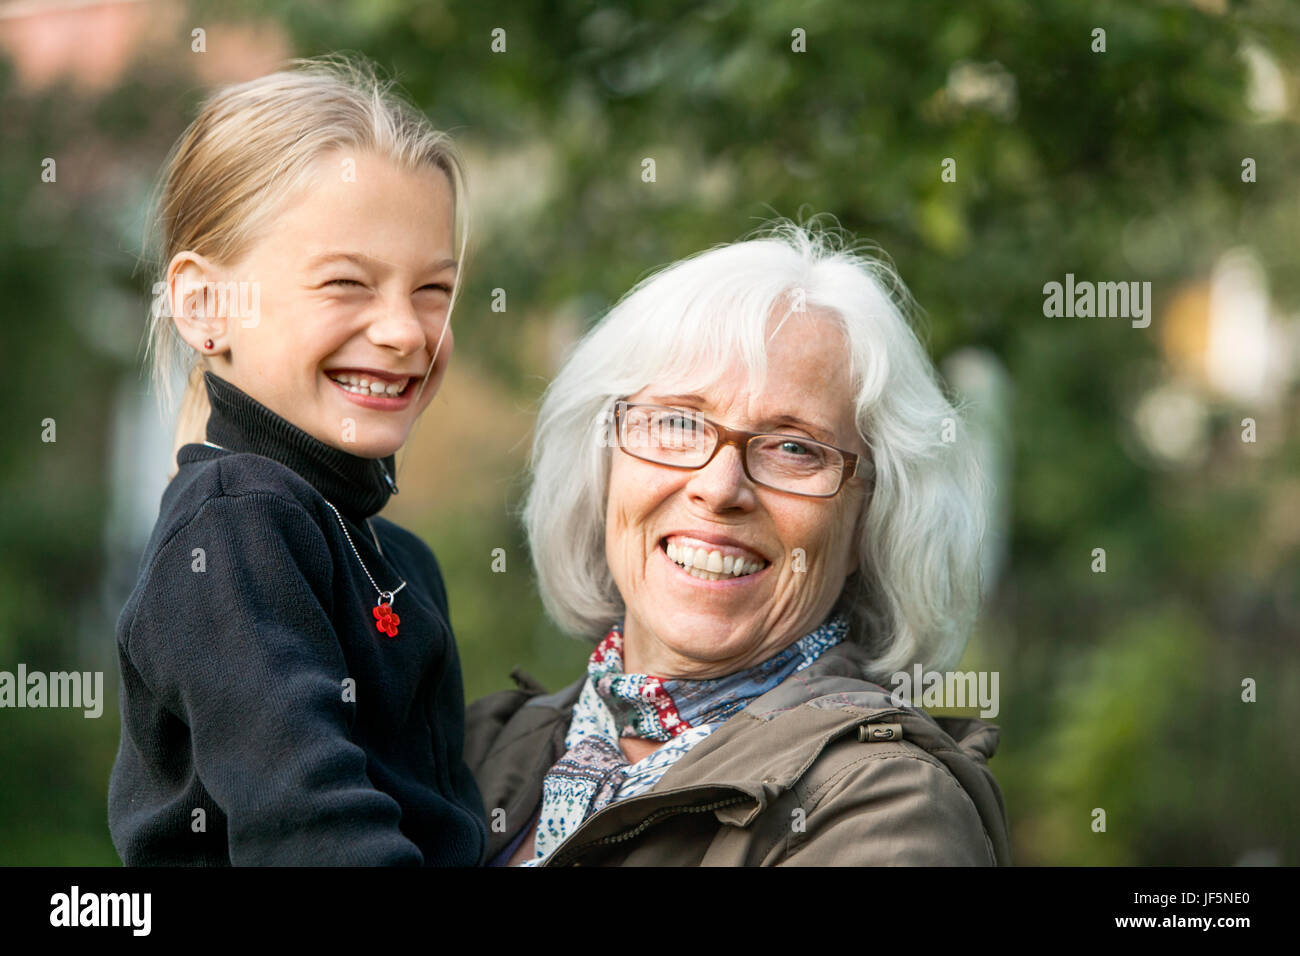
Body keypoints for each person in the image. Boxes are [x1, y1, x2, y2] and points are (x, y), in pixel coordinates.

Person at [467, 222, 1011, 865]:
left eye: (793, 447)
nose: (719, 488)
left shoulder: (890, 808)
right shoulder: (473, 748)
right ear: (604, 459)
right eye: (676, 422)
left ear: (871, 520)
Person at [108, 56, 487, 865]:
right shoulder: (238, 526)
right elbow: (314, 832)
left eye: (433, 291)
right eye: (347, 283)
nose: (405, 332)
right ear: (206, 307)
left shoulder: (399, 562)